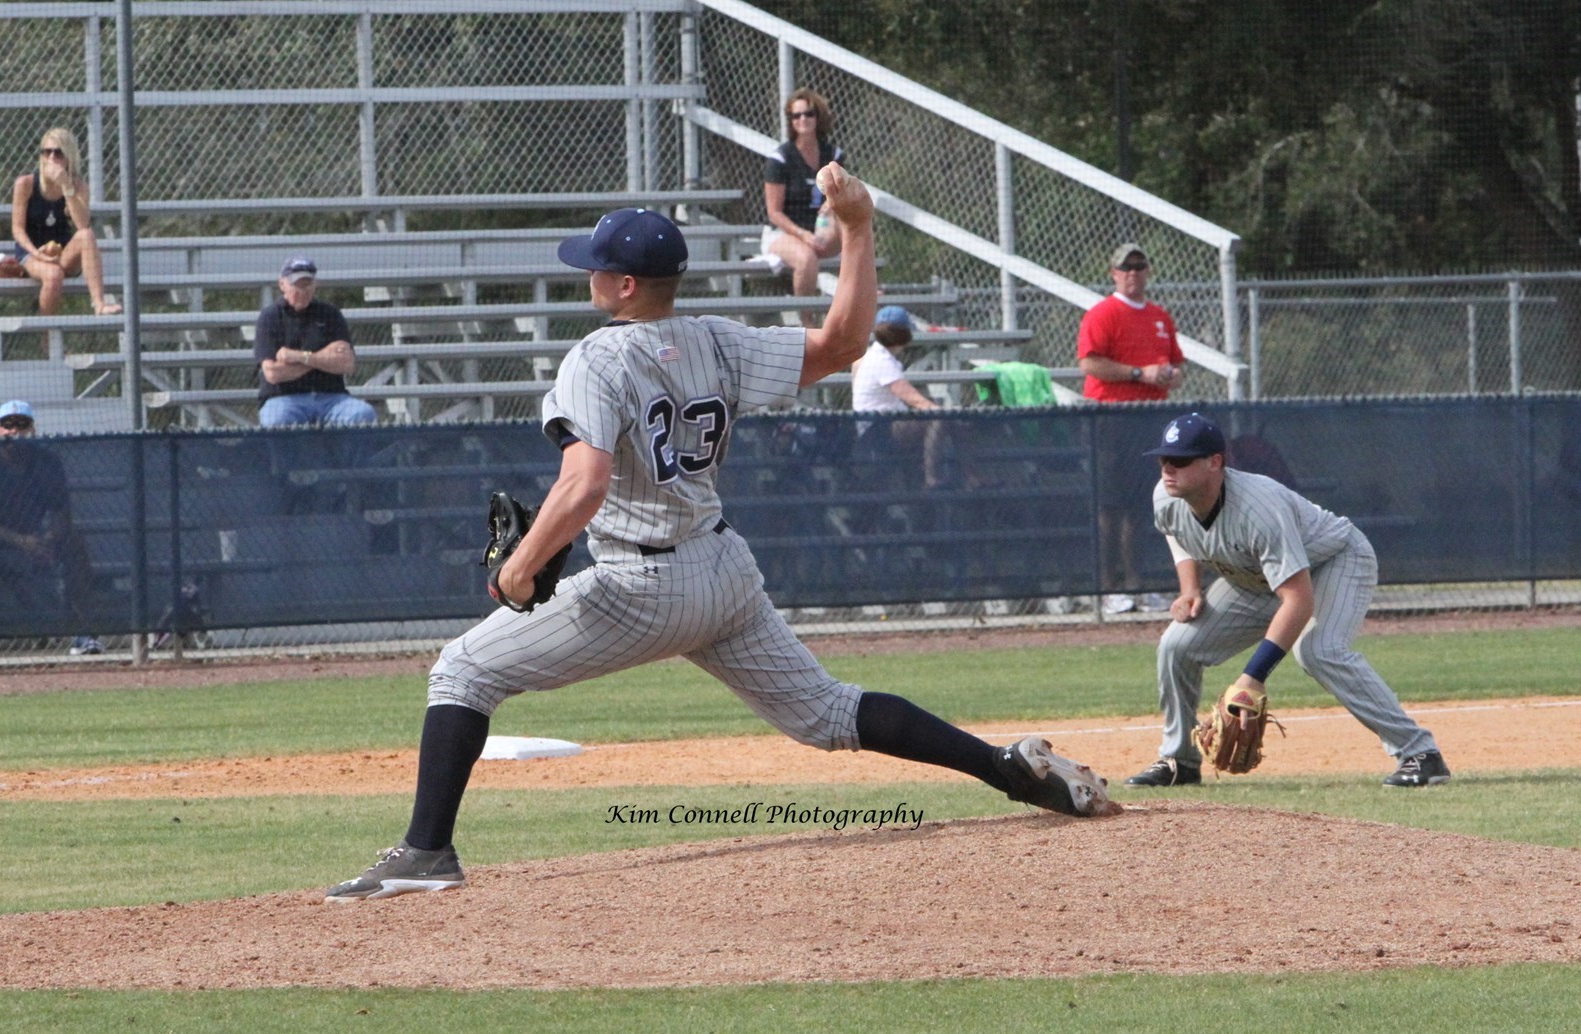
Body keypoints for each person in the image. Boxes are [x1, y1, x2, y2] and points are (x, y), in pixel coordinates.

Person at [325, 168, 1102, 903]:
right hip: (723, 571)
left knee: (462, 671)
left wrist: (519, 570)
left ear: (624, 285)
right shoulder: (717, 339)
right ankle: (1004, 769)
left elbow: (584, 483)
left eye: (596, 267)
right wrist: (859, 230)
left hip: (640, 585)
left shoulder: (595, 357)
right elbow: (842, 342)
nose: (586, 276)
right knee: (830, 713)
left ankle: (427, 852)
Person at [1124, 412, 1450, 789]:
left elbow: (1297, 600)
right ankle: (1179, 760)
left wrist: (1252, 678)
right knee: (1175, 646)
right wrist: (1190, 589)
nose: (1168, 468)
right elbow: (1177, 534)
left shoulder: (1259, 507)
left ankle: (1420, 753)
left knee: (1318, 650)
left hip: (1331, 562)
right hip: (1252, 581)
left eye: (1180, 460)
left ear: (1215, 462)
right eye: (1164, 458)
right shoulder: (1166, 495)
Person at [1077, 242, 1186, 615]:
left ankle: (1137, 585)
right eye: (1127, 267)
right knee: (1110, 504)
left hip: (1148, 418)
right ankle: (1109, 588)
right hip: (1112, 417)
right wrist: (1139, 373)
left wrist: (1169, 376)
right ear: (1114, 273)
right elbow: (1090, 365)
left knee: (1144, 505)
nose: (1133, 273)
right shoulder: (1103, 314)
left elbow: (1177, 366)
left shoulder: (1159, 316)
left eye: (1140, 266)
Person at [0, 401, 105, 657]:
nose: (15, 431)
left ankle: (83, 635)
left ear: (33, 429)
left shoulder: (47, 461)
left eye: (22, 424)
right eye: (8, 425)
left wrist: (48, 539)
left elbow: (61, 512)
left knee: (75, 544)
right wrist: (20, 541)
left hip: (36, 541)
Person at [254, 257, 377, 428]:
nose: (303, 291)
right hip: (284, 398)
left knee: (362, 413)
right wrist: (323, 359)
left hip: (332, 397)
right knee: (277, 419)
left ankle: (346, 456)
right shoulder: (270, 317)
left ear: (315, 285)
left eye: (307, 285)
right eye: (297, 285)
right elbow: (273, 374)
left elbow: (347, 364)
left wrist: (298, 357)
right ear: (282, 285)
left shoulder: (330, 313)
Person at [10, 127, 121, 316]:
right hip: (33, 254)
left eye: (58, 152)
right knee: (53, 276)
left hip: (62, 253)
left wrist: (66, 186)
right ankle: (48, 341)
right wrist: (38, 254)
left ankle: (99, 304)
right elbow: (17, 229)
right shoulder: (26, 184)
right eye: (47, 152)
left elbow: (82, 224)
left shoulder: (78, 186)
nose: (52, 157)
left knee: (86, 235)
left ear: (69, 156)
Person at [760, 88, 845, 325]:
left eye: (808, 114)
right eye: (795, 116)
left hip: (821, 227)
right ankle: (808, 323)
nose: (802, 120)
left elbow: (842, 193)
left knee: (854, 235)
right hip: (785, 233)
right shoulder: (781, 159)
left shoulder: (833, 155)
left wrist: (832, 202)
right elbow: (774, 213)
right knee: (807, 258)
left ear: (818, 117)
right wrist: (803, 235)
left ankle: (853, 311)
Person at [851, 305, 952, 489]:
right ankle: (931, 477)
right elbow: (914, 399)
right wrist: (940, 411)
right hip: (880, 430)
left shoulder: (868, 357)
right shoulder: (882, 361)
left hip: (875, 427)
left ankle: (971, 476)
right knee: (939, 418)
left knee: (954, 424)